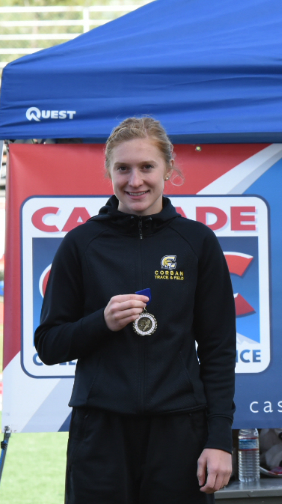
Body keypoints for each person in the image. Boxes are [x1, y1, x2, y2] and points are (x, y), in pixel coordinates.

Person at [34, 117, 237, 503]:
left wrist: (218, 439)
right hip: (101, 430)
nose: (135, 181)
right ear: (108, 171)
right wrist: (102, 322)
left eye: (147, 167)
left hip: (180, 429)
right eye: (123, 168)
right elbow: (49, 344)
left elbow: (219, 349)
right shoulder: (81, 244)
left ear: (169, 170)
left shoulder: (197, 242)